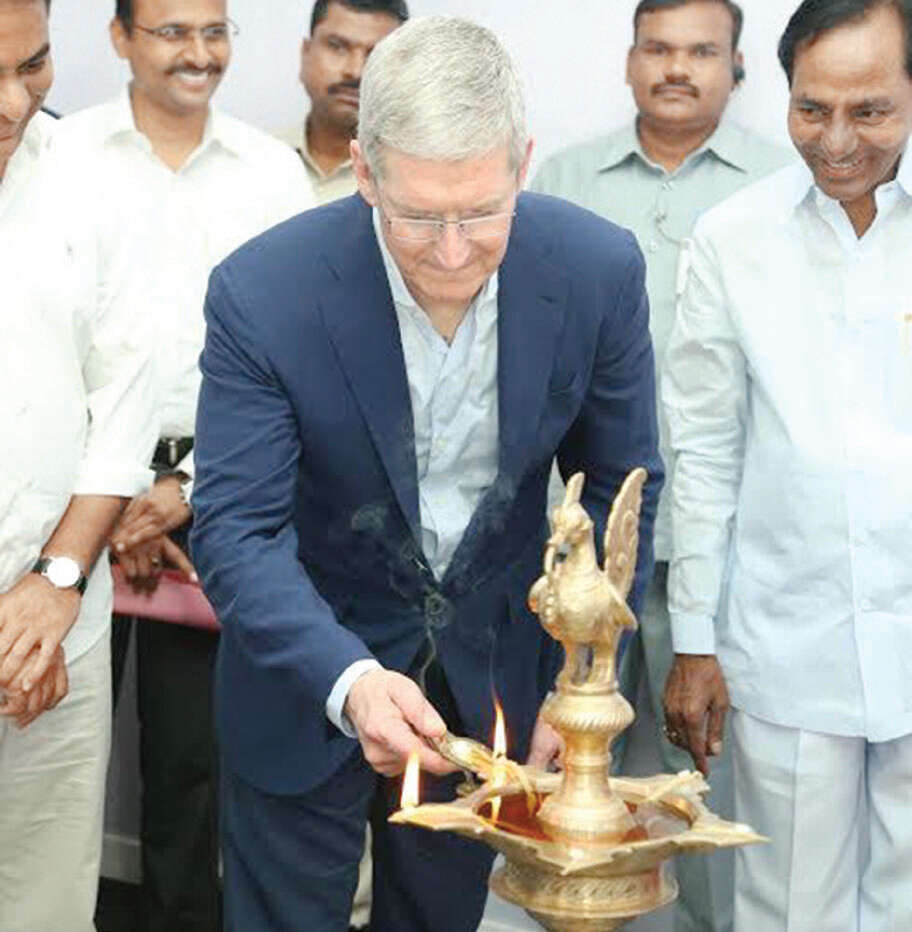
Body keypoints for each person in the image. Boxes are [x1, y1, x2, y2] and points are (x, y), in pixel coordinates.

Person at [190, 15, 663, 932]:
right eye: (417, 216)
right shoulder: (262, 293)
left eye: (482, 212)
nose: (452, 251)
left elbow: (621, 494)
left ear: (523, 164)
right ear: (364, 173)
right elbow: (237, 532)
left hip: (492, 681)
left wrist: (584, 681)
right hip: (306, 676)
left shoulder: (599, 271)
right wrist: (349, 680)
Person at [530, 4, 791, 928]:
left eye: (701, 52)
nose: (678, 69)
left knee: (711, 787)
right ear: (631, 59)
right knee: (563, 774)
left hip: (730, 550)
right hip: (579, 559)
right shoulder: (559, 183)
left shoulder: (788, 185)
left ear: (738, 65)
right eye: (659, 49)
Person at [54, 2, 313, 930]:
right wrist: (113, 494)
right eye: (171, 31)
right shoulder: (62, 158)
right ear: (120, 38)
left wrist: (180, 493)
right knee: (44, 753)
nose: (198, 54)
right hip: (65, 506)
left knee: (188, 765)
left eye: (215, 31)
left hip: (212, 507)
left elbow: (290, 359)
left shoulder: (272, 175)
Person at [662, 1, 912, 929]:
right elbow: (705, 448)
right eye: (813, 110)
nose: (838, 140)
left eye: (871, 111)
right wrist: (693, 638)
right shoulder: (736, 237)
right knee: (787, 910)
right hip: (786, 641)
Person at [0, 1, 156, 929]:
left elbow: (124, 405)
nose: (14, 104)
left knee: (47, 905)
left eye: (33, 65)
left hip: (60, 630)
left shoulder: (89, 180)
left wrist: (52, 590)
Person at [275, 0, 407, 204]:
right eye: (337, 47)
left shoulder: (413, 177)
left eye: (376, 54)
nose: (355, 70)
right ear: (305, 53)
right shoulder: (252, 157)